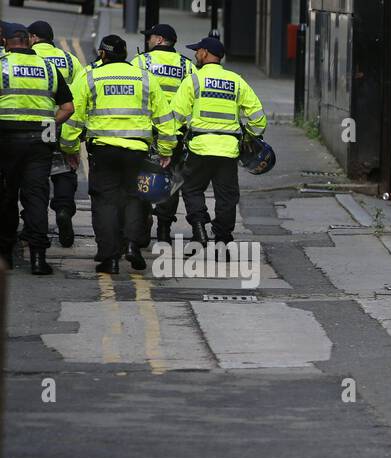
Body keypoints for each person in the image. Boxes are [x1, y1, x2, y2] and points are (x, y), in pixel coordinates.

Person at [60, 35, 177, 275]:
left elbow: (74, 117)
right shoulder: (145, 78)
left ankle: (110, 257)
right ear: (125, 54)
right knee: (134, 198)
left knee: (105, 201)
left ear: (103, 54)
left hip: (103, 151)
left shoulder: (90, 77)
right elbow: (165, 119)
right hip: (137, 151)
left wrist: (69, 148)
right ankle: (133, 245)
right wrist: (166, 150)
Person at [168, 37, 264, 245]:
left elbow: (175, 117)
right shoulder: (236, 81)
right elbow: (258, 118)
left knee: (192, 189)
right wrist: (250, 136)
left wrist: (171, 143)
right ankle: (223, 240)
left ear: (204, 53)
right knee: (227, 197)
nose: (195, 55)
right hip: (228, 151)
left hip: (200, 148)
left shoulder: (193, 80)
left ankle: (199, 226)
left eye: (197, 51)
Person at [0, 22, 74, 275]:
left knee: (6, 197)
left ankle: (6, 256)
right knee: (36, 198)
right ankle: (38, 259)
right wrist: (50, 124)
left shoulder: (2, 65)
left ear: (6, 42)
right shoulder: (49, 68)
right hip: (40, 140)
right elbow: (68, 108)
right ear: (29, 41)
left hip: (6, 140)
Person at [27, 20, 83, 249]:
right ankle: (63, 210)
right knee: (64, 171)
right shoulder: (70, 59)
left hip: (35, 126)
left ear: (32, 37)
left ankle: (33, 223)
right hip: (61, 123)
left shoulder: (28, 58)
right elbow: (78, 95)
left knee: (35, 176)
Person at [135, 23, 191, 242]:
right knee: (171, 179)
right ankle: (164, 229)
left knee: (142, 178)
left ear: (159, 40)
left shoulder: (141, 62)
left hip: (146, 131)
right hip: (174, 133)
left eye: (150, 37)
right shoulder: (187, 66)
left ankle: (141, 225)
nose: (147, 41)